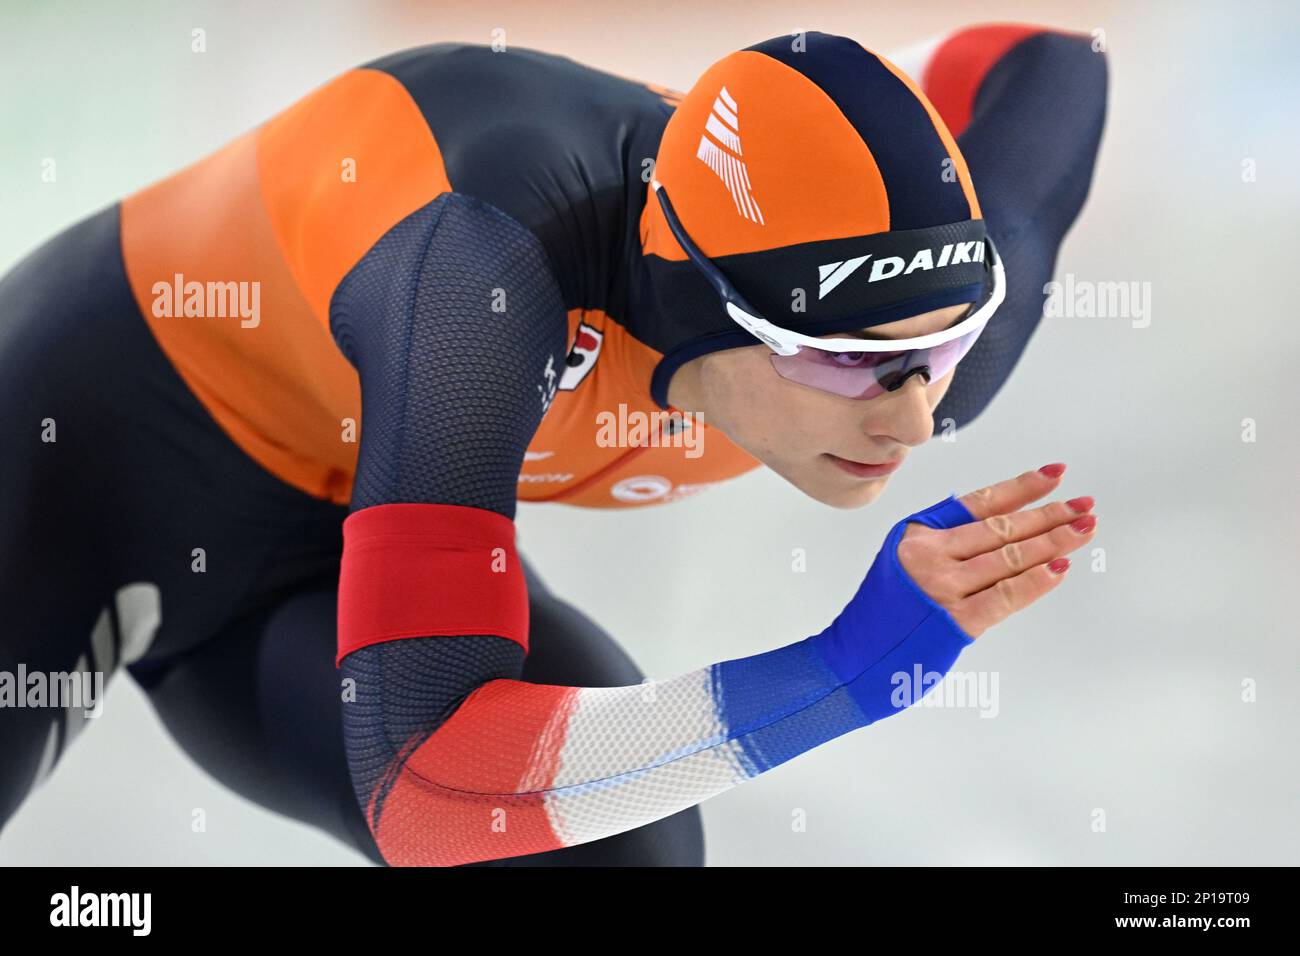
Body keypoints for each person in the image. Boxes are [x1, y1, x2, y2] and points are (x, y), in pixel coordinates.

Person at [0, 24, 1108, 866]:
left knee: (616, 840)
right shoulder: (483, 272)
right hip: (78, 461)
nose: (911, 417)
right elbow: (426, 785)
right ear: (698, 292)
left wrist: (842, 133)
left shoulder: (917, 338)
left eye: (948, 345)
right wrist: (842, 670)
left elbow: (1046, 64)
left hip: (316, 567)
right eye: (840, 359)